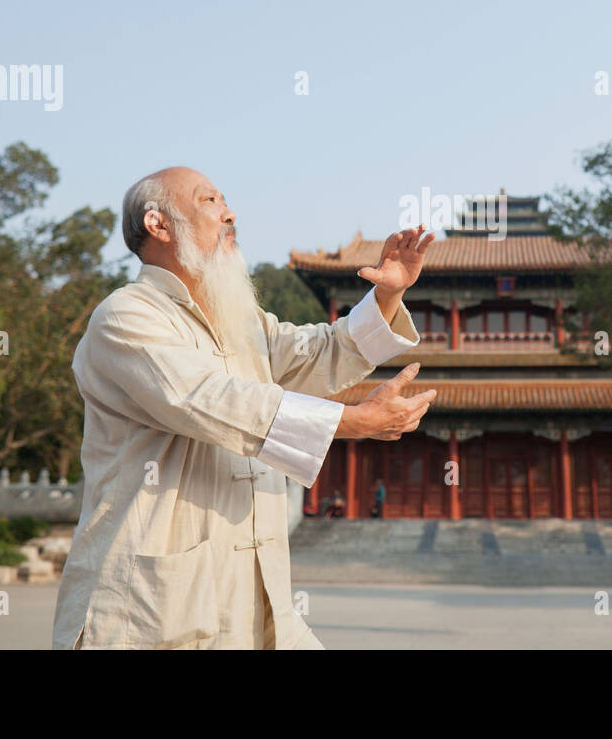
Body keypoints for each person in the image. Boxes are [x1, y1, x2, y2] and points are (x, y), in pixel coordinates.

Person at [52, 168, 438, 650]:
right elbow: (209, 401)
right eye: (210, 200)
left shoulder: (241, 318)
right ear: (158, 224)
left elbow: (318, 355)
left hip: (257, 598)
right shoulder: (126, 316)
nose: (229, 213)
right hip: (150, 609)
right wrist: (354, 421)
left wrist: (386, 295)